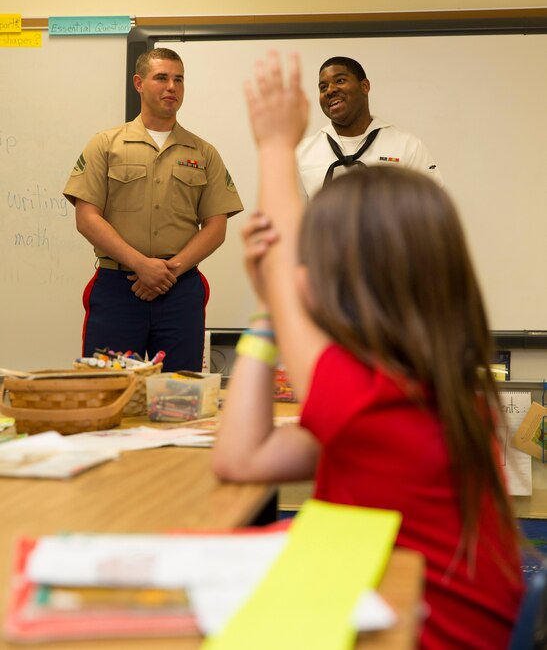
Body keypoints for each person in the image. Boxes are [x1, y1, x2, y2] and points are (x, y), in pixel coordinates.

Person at [212, 52, 523, 649]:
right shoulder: (418, 383)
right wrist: (264, 313)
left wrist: (275, 145)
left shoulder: (375, 399)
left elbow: (281, 268)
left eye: (318, 253)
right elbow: (242, 462)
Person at [63, 47, 243, 372]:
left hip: (179, 290)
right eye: (161, 77)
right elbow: (87, 218)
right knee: (107, 391)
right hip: (117, 287)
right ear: (139, 83)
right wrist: (141, 265)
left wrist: (167, 271)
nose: (171, 86)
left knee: (180, 395)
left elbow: (216, 227)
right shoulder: (105, 144)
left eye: (179, 79)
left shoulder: (204, 153)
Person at [297, 55, 442, 198]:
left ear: (365, 86)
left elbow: (432, 210)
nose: (330, 90)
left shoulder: (408, 147)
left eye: (340, 81)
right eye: (323, 87)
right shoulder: (302, 154)